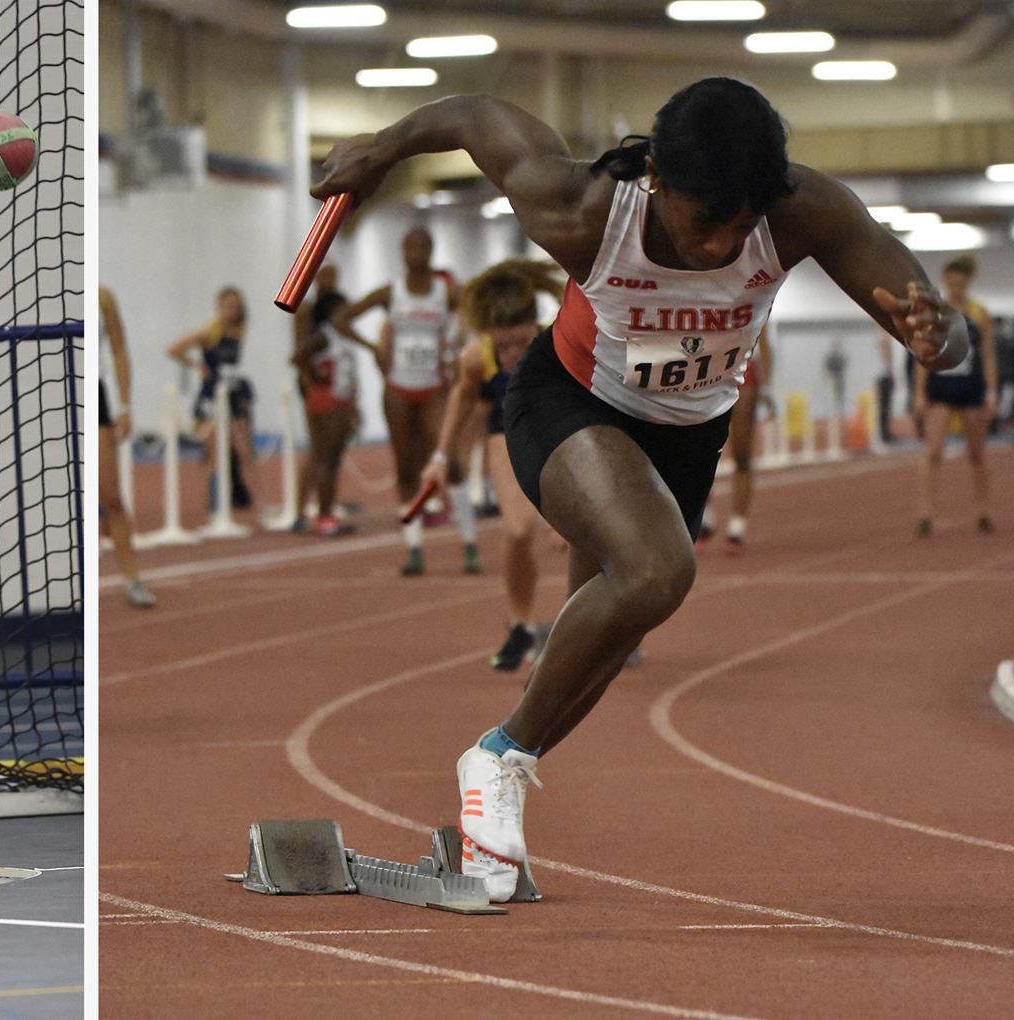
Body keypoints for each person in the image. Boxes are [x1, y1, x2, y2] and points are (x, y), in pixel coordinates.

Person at [312, 78, 968, 902]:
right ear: (656, 177)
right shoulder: (583, 208)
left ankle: (491, 826)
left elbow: (940, 326)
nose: (721, 245)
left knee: (605, 637)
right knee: (658, 570)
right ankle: (496, 757)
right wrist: (380, 149)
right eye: (706, 223)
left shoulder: (803, 211)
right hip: (569, 403)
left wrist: (940, 339)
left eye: (741, 225)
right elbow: (476, 115)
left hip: (688, 438)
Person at [416, 260, 563, 670]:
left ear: (532, 326)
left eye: (520, 342)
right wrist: (441, 458)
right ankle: (521, 624)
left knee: (584, 534)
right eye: (504, 346)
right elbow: (463, 398)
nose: (514, 354)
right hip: (507, 433)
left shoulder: (557, 345)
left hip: (562, 433)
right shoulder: (476, 358)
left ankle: (605, 629)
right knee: (517, 531)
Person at [339, 229, 479, 575]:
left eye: (422, 247)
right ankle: (414, 548)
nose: (416, 253)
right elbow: (341, 318)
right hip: (398, 389)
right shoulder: (392, 292)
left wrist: (460, 346)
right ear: (402, 251)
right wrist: (374, 348)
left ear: (431, 251)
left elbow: (479, 309)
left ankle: (470, 543)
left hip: (434, 388)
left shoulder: (444, 292)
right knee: (405, 466)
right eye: (410, 247)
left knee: (450, 463)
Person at [914, 254, 998, 536]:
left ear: (968, 282)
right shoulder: (935, 311)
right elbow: (923, 354)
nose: (956, 287)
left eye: (961, 283)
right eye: (951, 282)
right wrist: (919, 394)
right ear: (945, 282)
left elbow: (987, 354)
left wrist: (991, 392)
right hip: (940, 387)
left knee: (976, 453)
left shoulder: (979, 313)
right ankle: (926, 513)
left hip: (971, 388)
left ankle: (984, 511)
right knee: (933, 451)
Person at [292, 284, 372, 535]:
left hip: (338, 401)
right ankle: (324, 516)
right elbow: (298, 357)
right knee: (327, 459)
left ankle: (326, 512)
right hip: (327, 402)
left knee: (331, 459)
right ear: (331, 313)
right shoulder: (324, 335)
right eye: (343, 312)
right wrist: (315, 376)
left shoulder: (340, 337)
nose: (348, 316)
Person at [168, 288, 255, 515]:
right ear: (219, 307)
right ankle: (216, 506)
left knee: (242, 449)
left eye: (236, 306)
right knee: (215, 452)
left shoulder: (238, 333)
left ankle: (238, 496)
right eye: (227, 306)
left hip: (232, 396)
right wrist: (197, 366)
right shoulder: (209, 333)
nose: (232, 311)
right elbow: (174, 349)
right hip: (211, 398)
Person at [99, 287, 156, 608]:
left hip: (97, 395)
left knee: (111, 494)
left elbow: (119, 350)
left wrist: (124, 404)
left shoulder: (103, 296)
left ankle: (132, 579)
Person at [696, 328, 770, 554]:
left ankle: (737, 526)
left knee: (741, 452)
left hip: (744, 373)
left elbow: (765, 343)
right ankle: (704, 516)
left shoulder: (752, 293)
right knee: (700, 448)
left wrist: (766, 388)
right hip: (710, 371)